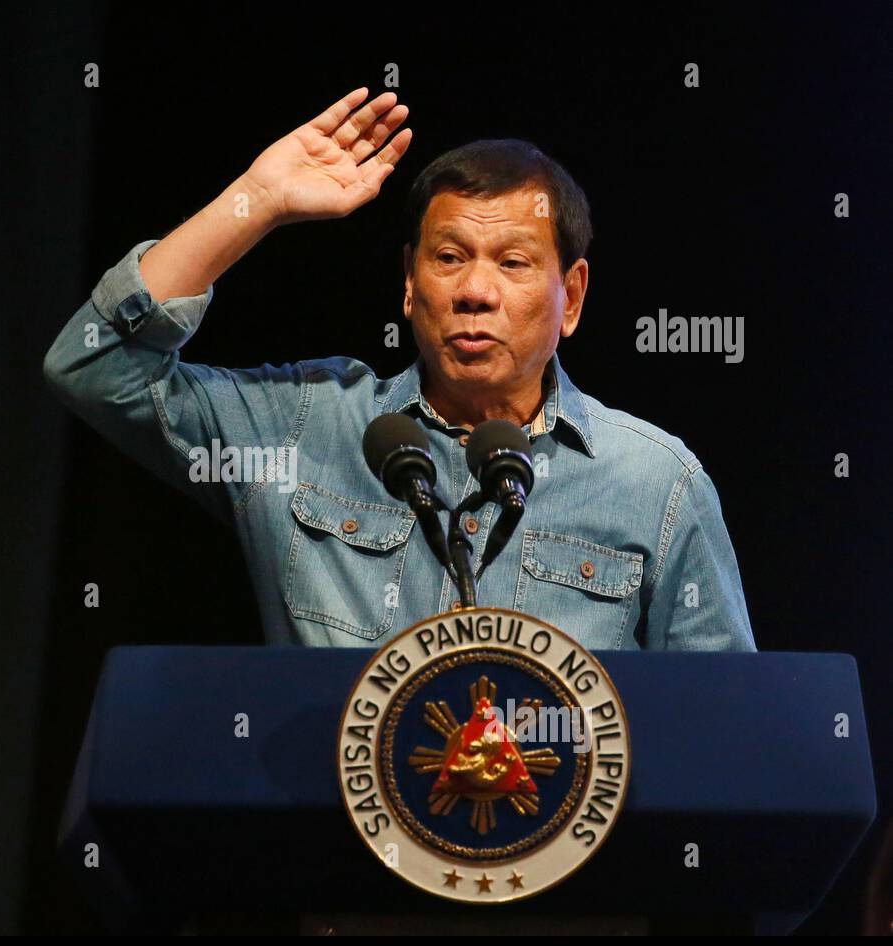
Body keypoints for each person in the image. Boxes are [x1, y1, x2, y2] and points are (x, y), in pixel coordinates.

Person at [44, 86, 755, 651]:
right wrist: (254, 203)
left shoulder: (656, 483)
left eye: (512, 262)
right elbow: (95, 365)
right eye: (448, 258)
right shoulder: (304, 430)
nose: (475, 290)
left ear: (569, 297)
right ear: (410, 287)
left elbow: (723, 736)